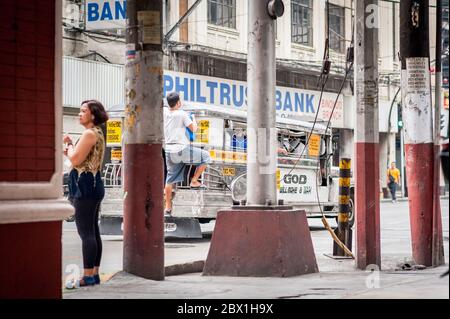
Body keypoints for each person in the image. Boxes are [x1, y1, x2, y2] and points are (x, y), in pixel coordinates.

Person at [64, 100, 108, 287]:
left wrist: (68, 148)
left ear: (93, 114)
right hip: (93, 185)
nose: (79, 114)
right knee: (93, 232)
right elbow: (82, 158)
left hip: (86, 187)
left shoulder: (90, 133)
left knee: (86, 233)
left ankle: (88, 275)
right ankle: (94, 274)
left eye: (83, 111)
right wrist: (73, 145)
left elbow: (75, 159)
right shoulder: (96, 133)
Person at [163, 92, 211, 216]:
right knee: (205, 156)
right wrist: (193, 119)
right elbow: (194, 129)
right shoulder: (182, 114)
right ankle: (194, 180)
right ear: (178, 102)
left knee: (169, 179)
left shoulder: (164, 112)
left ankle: (167, 207)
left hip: (169, 150)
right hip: (181, 149)